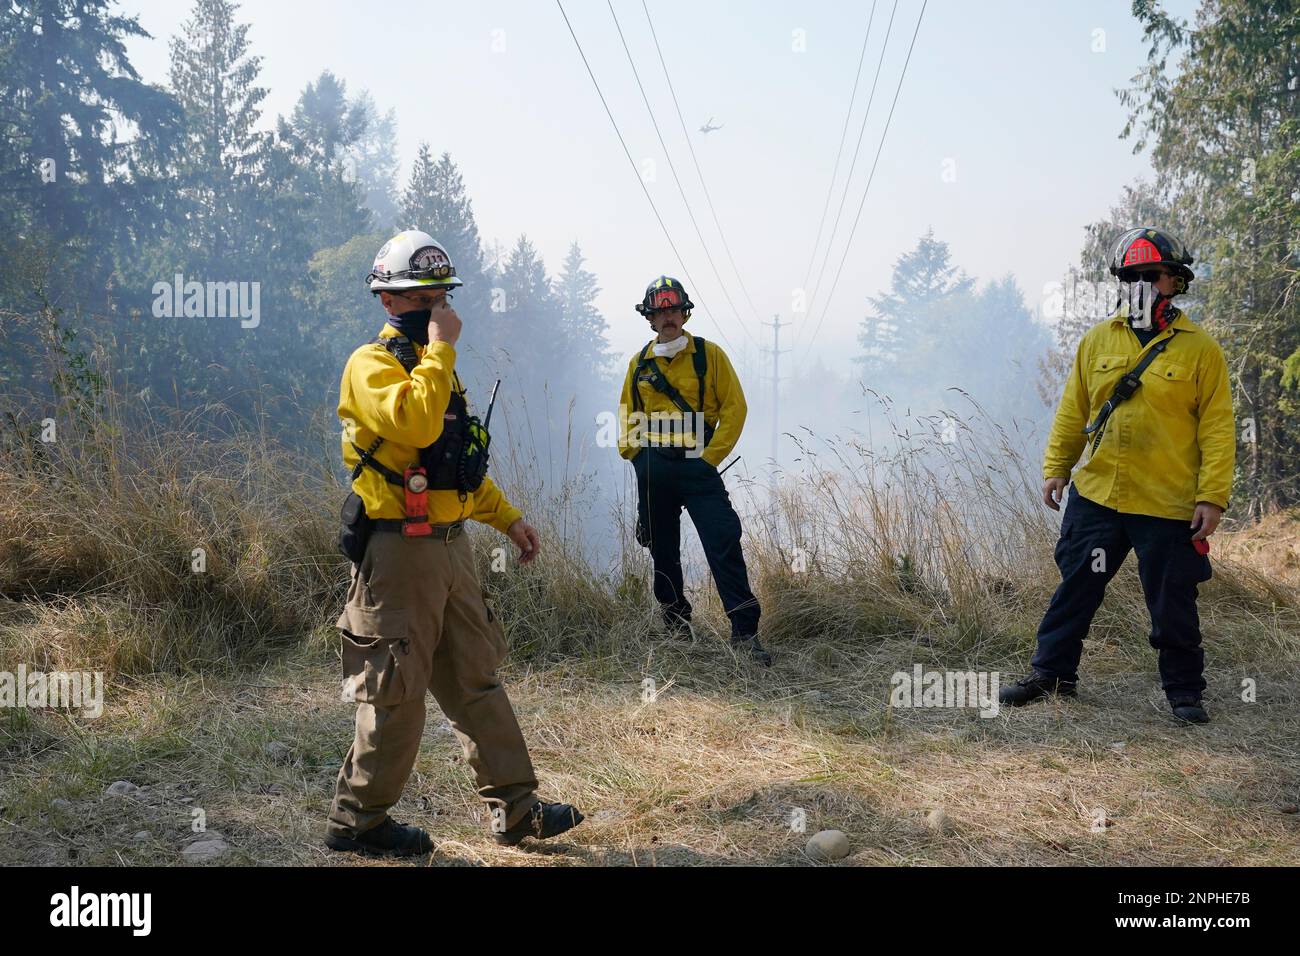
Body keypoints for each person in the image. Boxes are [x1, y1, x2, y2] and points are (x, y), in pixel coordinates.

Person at [325, 229, 583, 856]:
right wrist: (440, 351)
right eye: (421, 296)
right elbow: (412, 422)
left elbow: (457, 465)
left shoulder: (440, 373)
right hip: (398, 554)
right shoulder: (372, 365)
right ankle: (358, 824)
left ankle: (519, 811)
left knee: (476, 677)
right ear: (389, 302)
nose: (436, 307)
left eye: (441, 294)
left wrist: (508, 518)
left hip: (451, 548)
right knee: (397, 694)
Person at [1002, 227, 1235, 723]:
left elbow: (1218, 431)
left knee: (1172, 605)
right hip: (1099, 494)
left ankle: (1184, 694)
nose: (1141, 284)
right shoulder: (1096, 341)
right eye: (1130, 276)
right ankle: (1051, 675)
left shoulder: (1201, 351)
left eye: (1151, 275)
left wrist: (1211, 497)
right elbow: (1073, 411)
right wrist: (1056, 468)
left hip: (1167, 503)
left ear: (1175, 281)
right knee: (1075, 590)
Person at [617, 276, 770, 666]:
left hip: (698, 466)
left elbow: (735, 408)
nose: (667, 317)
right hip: (654, 468)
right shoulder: (639, 364)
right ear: (649, 318)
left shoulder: (709, 355)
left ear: (684, 313)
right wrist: (637, 457)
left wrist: (709, 459)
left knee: (723, 540)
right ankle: (675, 624)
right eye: (659, 311)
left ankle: (745, 633)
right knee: (662, 550)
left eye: (673, 310)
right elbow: (627, 417)